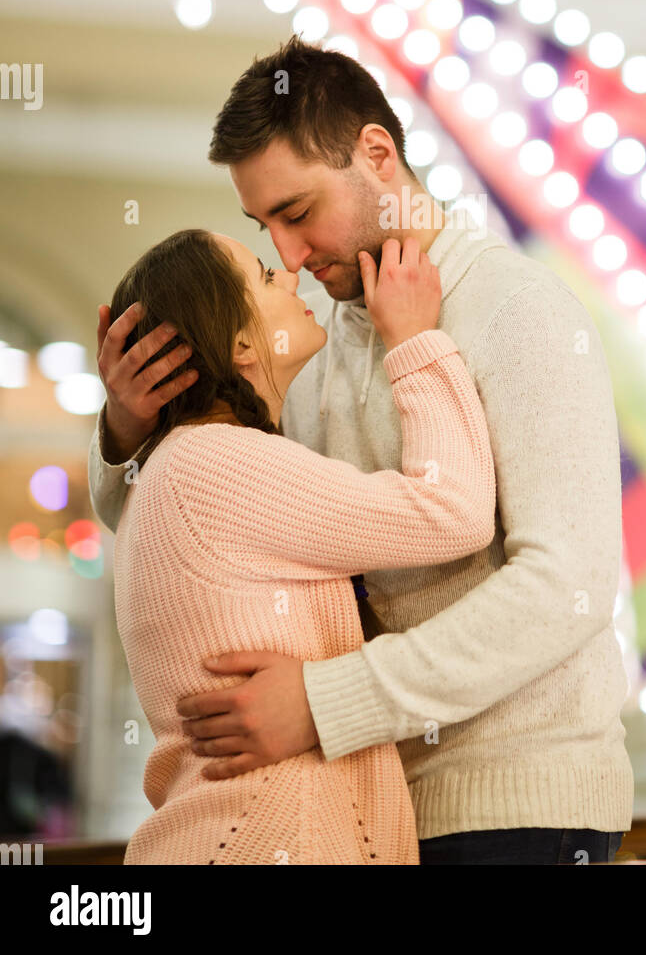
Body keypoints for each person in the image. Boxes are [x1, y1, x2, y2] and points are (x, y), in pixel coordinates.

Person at [90, 35, 633, 867]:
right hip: (369, 814)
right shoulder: (306, 361)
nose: (290, 258)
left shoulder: (518, 308)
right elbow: (188, 524)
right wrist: (126, 431)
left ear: (376, 154)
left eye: (298, 214)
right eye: (264, 227)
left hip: (514, 805)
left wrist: (326, 702)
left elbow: (570, 584)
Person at [107, 228, 495, 864]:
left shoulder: (177, 468)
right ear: (238, 345)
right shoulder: (215, 463)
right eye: (263, 275)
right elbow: (453, 511)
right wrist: (416, 340)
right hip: (269, 841)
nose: (291, 275)